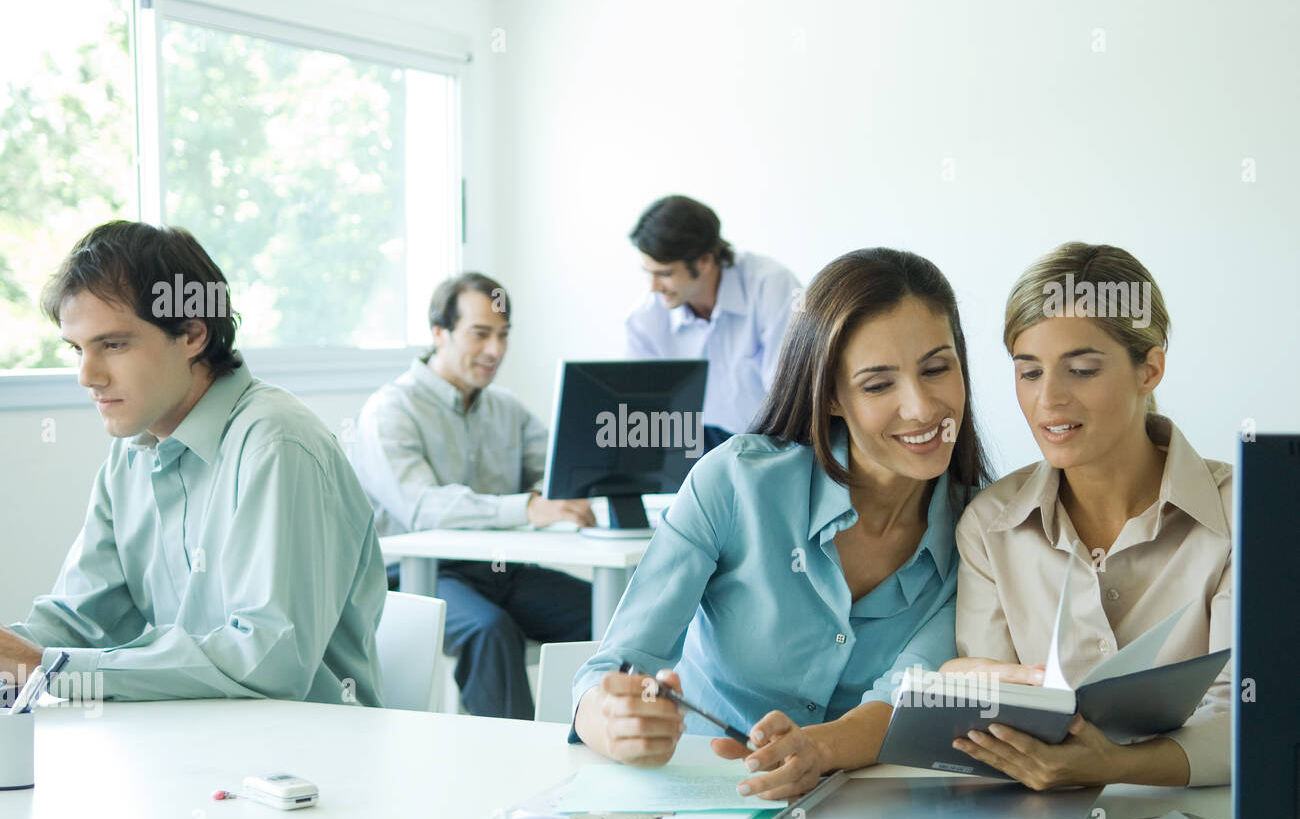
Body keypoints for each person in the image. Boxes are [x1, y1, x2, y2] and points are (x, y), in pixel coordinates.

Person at [573, 248, 992, 799]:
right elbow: (614, 666)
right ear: (833, 397)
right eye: (877, 385)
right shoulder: (736, 483)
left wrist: (818, 749)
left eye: (937, 369)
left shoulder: (980, 531)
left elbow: (909, 697)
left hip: (856, 813)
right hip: (704, 797)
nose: (920, 407)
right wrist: (614, 722)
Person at [0, 221, 385, 705]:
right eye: (77, 349)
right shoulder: (131, 454)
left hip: (306, 759)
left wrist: (44, 667)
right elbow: (81, 621)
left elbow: (267, 662)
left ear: (192, 334)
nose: (87, 376)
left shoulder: (277, 445)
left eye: (113, 345)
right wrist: (11, 656)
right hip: (193, 743)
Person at [941, 242, 1231, 788]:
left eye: (1080, 369)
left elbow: (1248, 713)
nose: (1049, 399)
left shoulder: (1241, 513)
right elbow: (1000, 721)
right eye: (1029, 373)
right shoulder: (990, 525)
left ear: (1149, 369)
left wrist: (1115, 766)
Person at [349, 272, 595, 719]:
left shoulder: (506, 408)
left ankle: (611, 745)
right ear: (439, 334)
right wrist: (525, 506)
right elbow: (422, 507)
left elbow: (555, 474)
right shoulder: (391, 410)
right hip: (416, 576)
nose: (495, 351)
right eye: (480, 334)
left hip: (502, 569)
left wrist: (557, 493)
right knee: (490, 631)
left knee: (611, 612)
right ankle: (518, 772)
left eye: (503, 336)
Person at [625, 195, 802, 446]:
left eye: (665, 274)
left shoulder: (773, 287)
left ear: (705, 261)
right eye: (648, 273)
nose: (653, 287)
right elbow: (648, 413)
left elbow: (792, 397)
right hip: (694, 445)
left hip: (775, 441)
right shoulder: (644, 320)